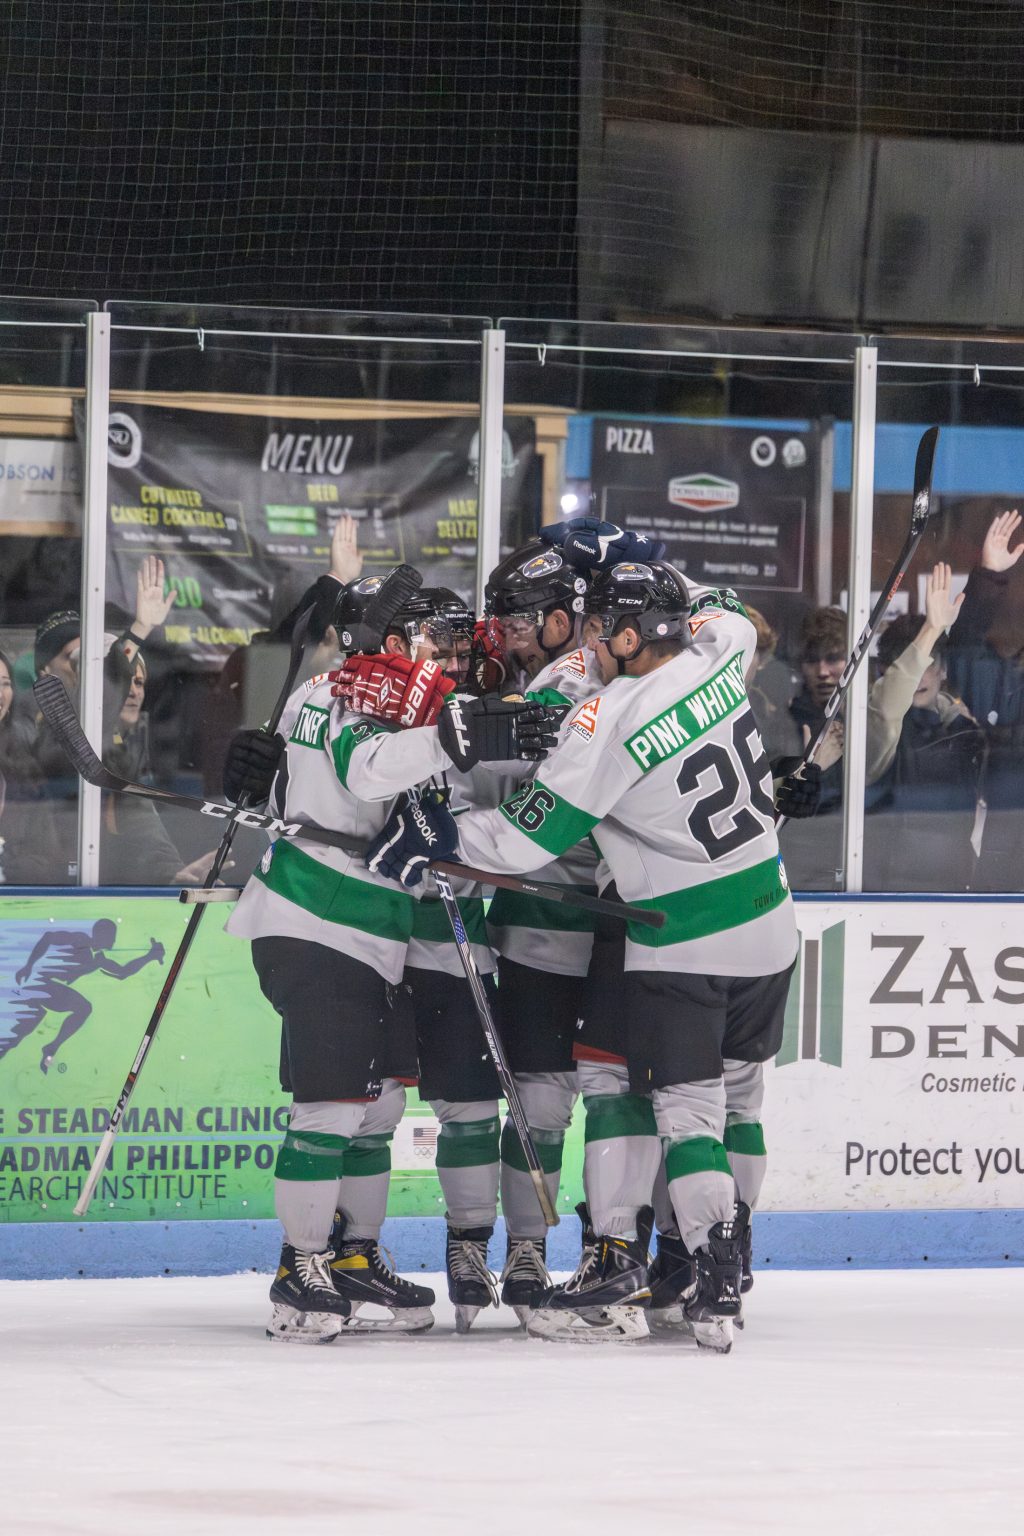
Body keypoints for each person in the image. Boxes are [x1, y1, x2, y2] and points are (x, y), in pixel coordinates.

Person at [369, 563, 799, 1353]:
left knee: (691, 1113)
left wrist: (438, 839)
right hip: (774, 926)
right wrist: (652, 571)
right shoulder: (718, 654)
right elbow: (726, 607)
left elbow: (520, 840)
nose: (590, 643)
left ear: (632, 638)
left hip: (683, 938)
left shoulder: (609, 719)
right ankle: (712, 1269)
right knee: (742, 1099)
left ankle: (710, 1278)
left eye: (602, 630)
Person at [222, 572, 558, 1341]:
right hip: (320, 924)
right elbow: (364, 766)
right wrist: (452, 739)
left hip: (364, 932)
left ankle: (352, 1259)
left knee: (374, 1107)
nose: (449, 658)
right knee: (332, 1108)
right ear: (397, 638)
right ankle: (298, 1270)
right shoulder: (354, 697)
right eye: (436, 641)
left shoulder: (349, 688)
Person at [864, 564, 984, 893]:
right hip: (885, 893)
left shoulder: (964, 728)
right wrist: (931, 629)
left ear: (943, 669)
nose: (917, 676)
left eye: (928, 663)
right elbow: (889, 707)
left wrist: (991, 575)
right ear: (885, 672)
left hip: (955, 891)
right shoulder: (874, 727)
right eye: (905, 665)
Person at [0, 918, 164, 1072]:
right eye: (112, 937)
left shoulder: (98, 959)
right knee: (19, 1032)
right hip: (40, 985)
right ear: (102, 935)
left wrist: (150, 956)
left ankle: (52, 1046)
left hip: (49, 990)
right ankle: (45, 1047)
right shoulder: (80, 940)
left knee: (83, 1008)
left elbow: (123, 972)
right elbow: (48, 937)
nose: (113, 942)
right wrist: (28, 965)